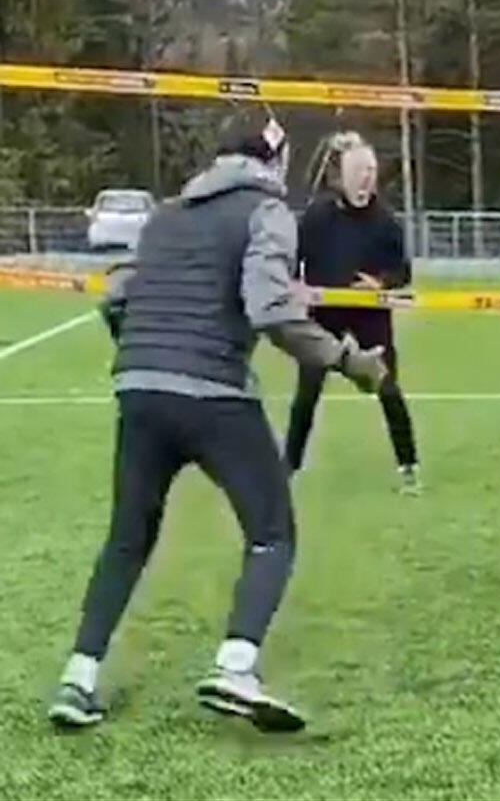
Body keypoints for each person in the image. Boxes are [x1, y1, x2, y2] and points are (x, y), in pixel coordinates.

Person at [47, 113, 388, 732]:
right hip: (212, 390)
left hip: (140, 387)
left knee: (127, 538)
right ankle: (235, 664)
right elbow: (269, 309)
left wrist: (150, 350)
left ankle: (78, 677)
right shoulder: (265, 212)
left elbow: (116, 296)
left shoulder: (168, 212)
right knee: (271, 532)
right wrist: (347, 361)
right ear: (272, 161)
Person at [283, 132, 420, 494]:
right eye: (358, 170)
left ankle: (409, 468)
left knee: (388, 387)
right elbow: (290, 261)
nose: (365, 177)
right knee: (307, 392)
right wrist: (293, 285)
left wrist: (382, 283)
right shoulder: (317, 216)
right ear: (339, 176)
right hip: (323, 314)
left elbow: (403, 272)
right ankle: (289, 468)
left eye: (371, 170)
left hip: (369, 316)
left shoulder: (386, 222)